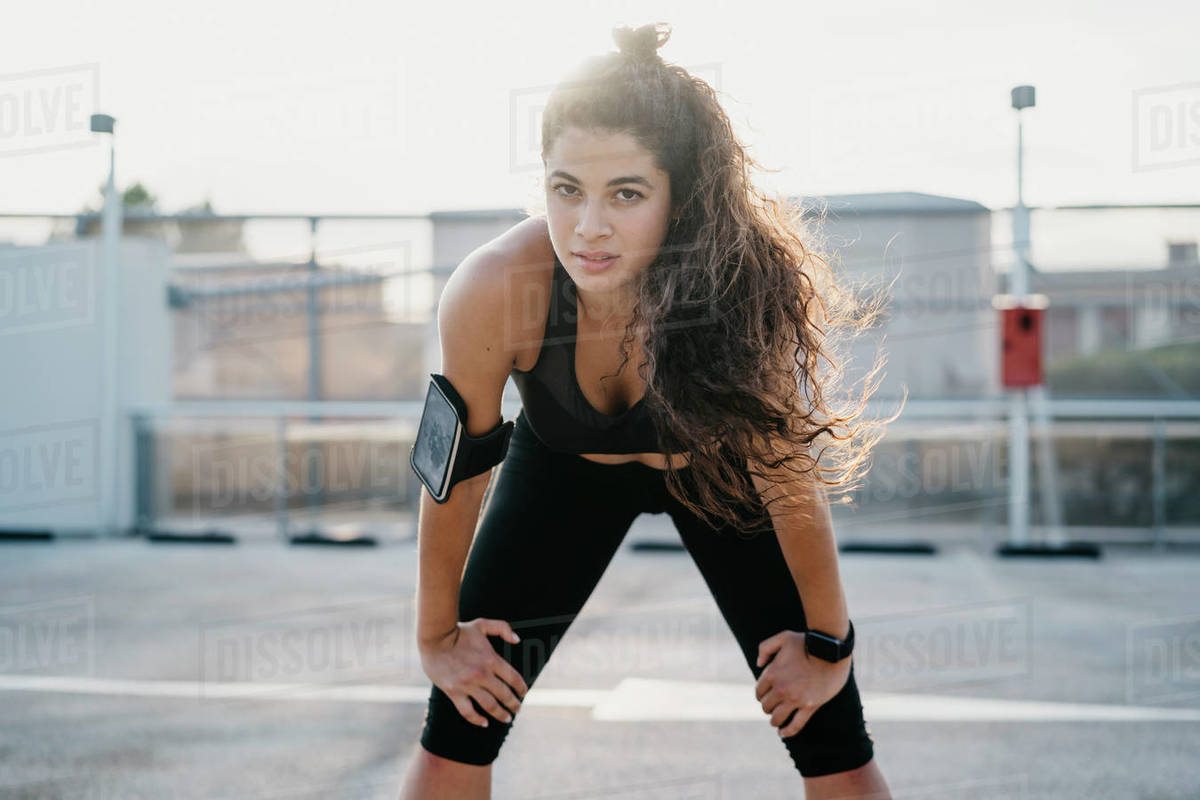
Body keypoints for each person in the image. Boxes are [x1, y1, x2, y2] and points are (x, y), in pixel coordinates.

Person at [399, 22, 896, 800]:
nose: (588, 227)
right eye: (567, 189)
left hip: (722, 480)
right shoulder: (495, 288)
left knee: (833, 743)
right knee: (458, 727)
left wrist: (831, 644)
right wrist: (435, 636)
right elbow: (451, 466)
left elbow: (786, 476)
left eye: (625, 194)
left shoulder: (740, 287)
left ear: (683, 194)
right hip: (564, 476)